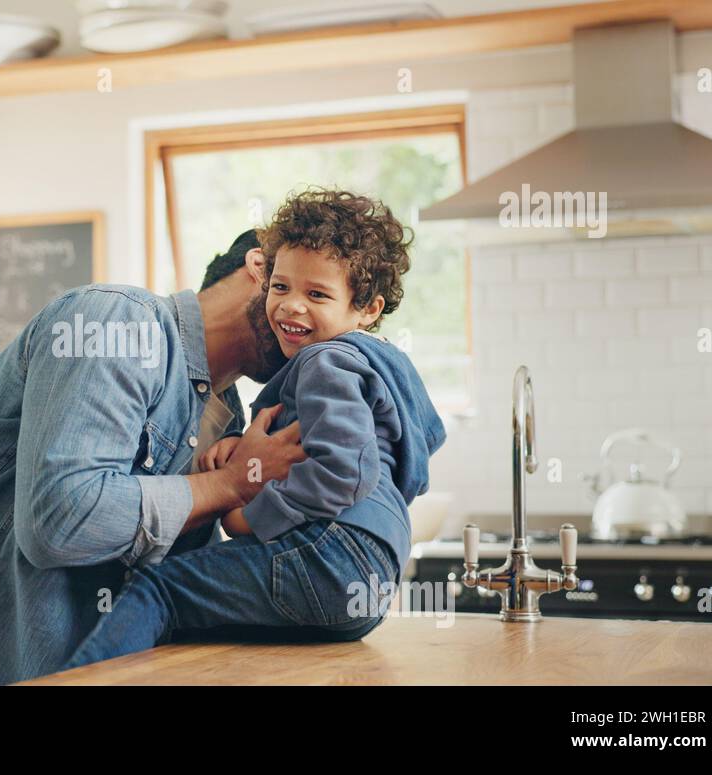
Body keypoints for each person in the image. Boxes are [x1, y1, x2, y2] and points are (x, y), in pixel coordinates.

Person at [0, 228, 304, 685]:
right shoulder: (116, 322)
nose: (310, 322)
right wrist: (227, 485)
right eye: (299, 289)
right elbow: (61, 520)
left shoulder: (232, 423)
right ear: (259, 266)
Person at [63, 188, 447, 669]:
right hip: (370, 582)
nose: (291, 306)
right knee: (194, 615)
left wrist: (252, 516)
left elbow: (343, 472)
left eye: (317, 295)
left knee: (158, 588)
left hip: (329, 555)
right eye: (281, 288)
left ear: (368, 309)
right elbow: (391, 463)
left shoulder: (328, 361)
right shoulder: (382, 371)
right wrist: (234, 450)